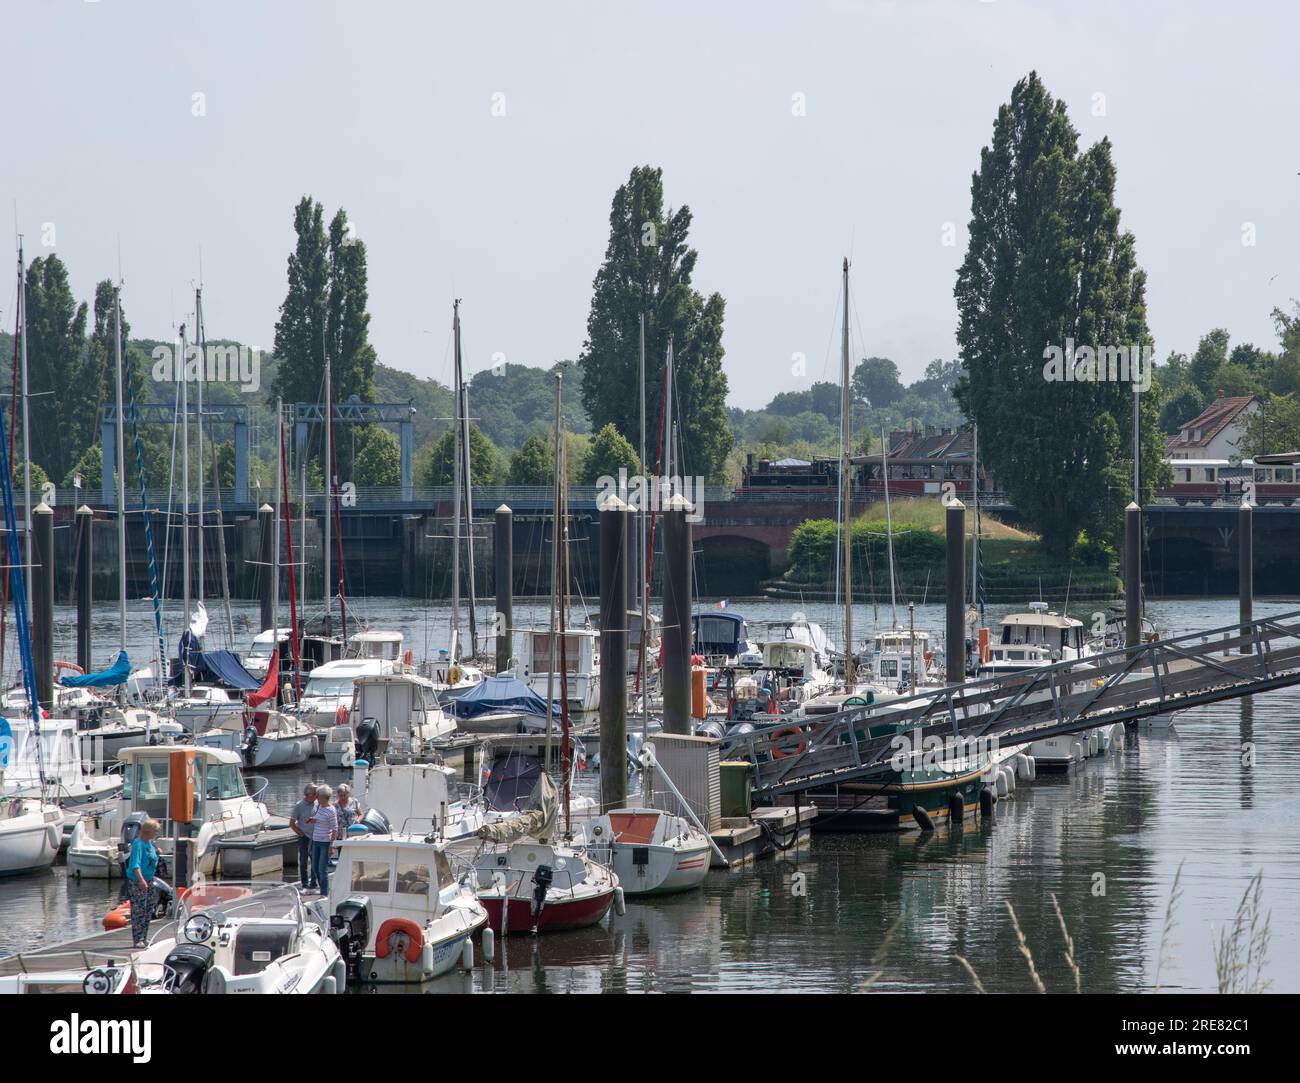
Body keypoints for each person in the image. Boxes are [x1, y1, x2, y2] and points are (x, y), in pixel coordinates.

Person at [125, 818, 161, 948]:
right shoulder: (138, 844)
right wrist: (141, 880)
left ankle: (144, 937)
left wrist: (157, 852)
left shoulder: (150, 843)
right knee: (138, 910)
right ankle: (137, 939)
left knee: (148, 909)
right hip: (138, 881)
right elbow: (135, 865)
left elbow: (151, 856)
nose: (156, 833)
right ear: (148, 831)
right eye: (155, 831)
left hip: (149, 880)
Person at [289, 783, 319, 890]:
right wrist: (301, 834)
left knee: (315, 861)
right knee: (303, 862)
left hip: (315, 836)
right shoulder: (299, 805)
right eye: (316, 794)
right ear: (309, 794)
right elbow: (292, 823)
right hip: (304, 837)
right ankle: (305, 884)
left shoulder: (317, 803)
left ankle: (314, 883)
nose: (317, 796)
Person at [310, 784, 338, 895]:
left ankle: (324, 893)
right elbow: (319, 819)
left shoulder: (331, 810)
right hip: (315, 840)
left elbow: (334, 828)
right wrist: (314, 820)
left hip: (325, 842)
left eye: (318, 795)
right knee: (315, 867)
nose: (316, 797)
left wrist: (331, 845)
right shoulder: (319, 806)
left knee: (322, 868)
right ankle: (323, 888)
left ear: (323, 796)